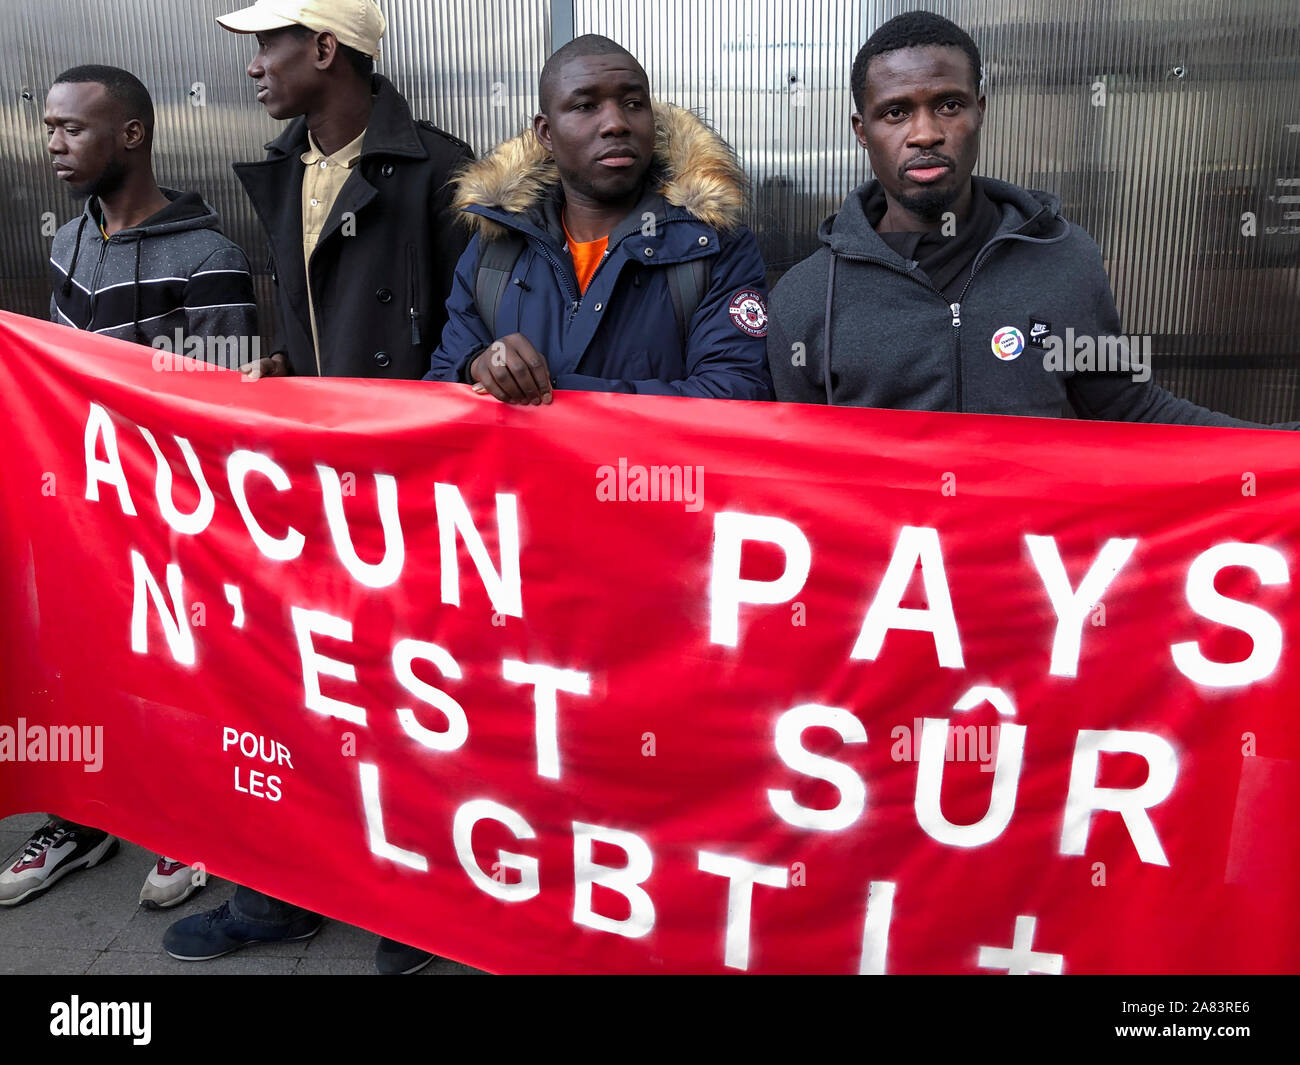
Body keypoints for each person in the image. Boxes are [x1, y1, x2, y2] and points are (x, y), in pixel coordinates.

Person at [161, 0, 472, 976]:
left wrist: (415, 438)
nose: (254, 66)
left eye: (269, 43)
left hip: (412, 488)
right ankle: (282, 890)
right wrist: (284, 375)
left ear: (325, 49)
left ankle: (417, 902)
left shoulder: (437, 165)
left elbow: (470, 327)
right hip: (306, 483)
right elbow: (309, 316)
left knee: (413, 701)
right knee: (299, 687)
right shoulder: (288, 165)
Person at [767, 9, 1297, 429]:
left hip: (1031, 562)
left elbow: (1129, 411)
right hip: (899, 566)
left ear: (979, 109)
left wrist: (1274, 455)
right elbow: (800, 471)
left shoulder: (1066, 260)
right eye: (896, 112)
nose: (925, 133)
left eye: (948, 106)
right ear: (862, 130)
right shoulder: (807, 297)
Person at [0, 65, 257, 915]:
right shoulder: (69, 240)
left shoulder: (210, 258)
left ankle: (193, 819)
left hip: (169, 520)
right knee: (78, 666)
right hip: (76, 509)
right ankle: (80, 817)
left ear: (133, 135)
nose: (55, 144)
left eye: (74, 128)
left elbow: (219, 409)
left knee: (183, 669)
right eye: (50, 129)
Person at [424, 34, 772, 404]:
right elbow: (442, 389)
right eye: (586, 106)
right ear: (546, 133)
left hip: (648, 467)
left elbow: (736, 395)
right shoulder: (496, 246)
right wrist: (477, 365)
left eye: (634, 103)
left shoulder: (713, 245)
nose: (616, 124)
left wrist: (553, 397)